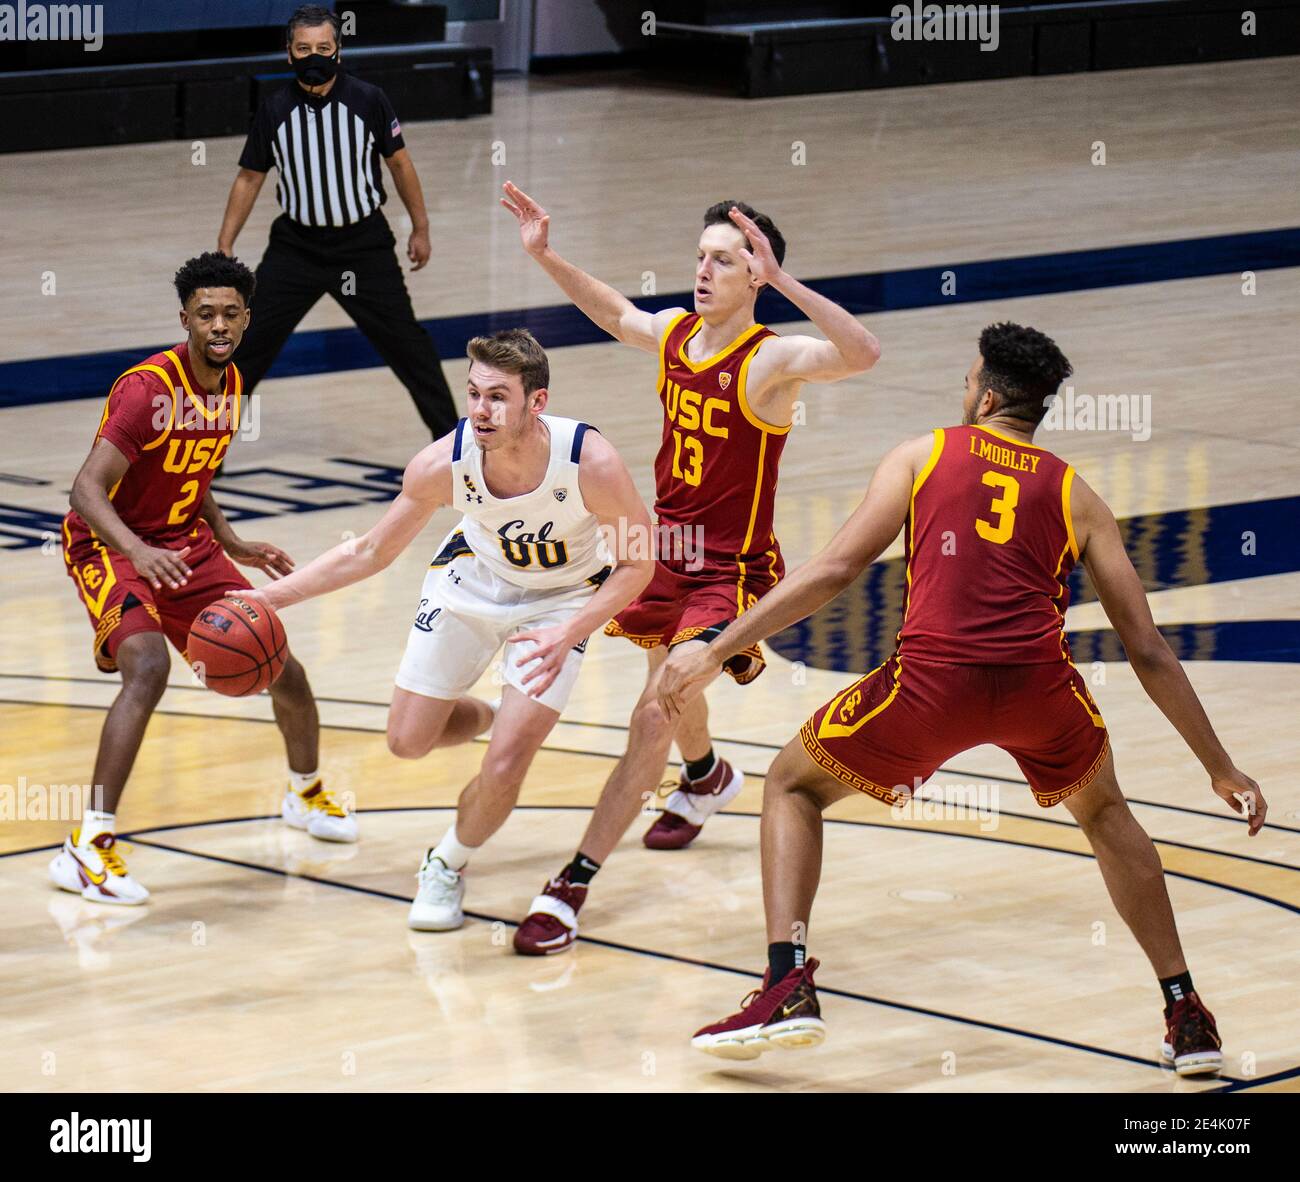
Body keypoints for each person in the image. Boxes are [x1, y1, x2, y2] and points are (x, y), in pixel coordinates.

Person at [659, 322, 1266, 1077]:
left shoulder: (926, 452)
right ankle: (1187, 1013)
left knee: (791, 786)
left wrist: (719, 646)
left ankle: (786, 982)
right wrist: (1221, 767)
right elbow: (1146, 648)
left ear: (983, 394)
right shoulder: (1079, 495)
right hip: (1040, 689)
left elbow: (838, 567)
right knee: (1108, 815)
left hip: (933, 686)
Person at [500, 182, 881, 955]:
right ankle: (705, 777)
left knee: (654, 706)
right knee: (669, 692)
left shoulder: (771, 359)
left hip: (730, 569)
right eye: (699, 255)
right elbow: (615, 313)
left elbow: (862, 353)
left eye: (723, 260)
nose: (702, 270)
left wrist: (786, 282)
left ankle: (571, 886)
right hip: (660, 551)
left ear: (754, 275)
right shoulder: (677, 333)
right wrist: (547, 256)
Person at [245, 329, 654, 931]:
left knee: (507, 762)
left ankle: (446, 863)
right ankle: (491, 713)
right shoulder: (444, 463)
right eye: (474, 394)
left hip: (560, 605)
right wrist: (266, 599)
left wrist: (573, 631)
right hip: (471, 582)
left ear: (535, 402)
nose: (481, 411)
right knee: (408, 741)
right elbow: (368, 552)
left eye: (498, 397)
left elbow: (638, 563)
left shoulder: (590, 462)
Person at [54, 252, 354, 907]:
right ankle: (88, 845)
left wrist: (234, 541)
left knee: (284, 667)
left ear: (247, 318)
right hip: (112, 544)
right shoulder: (147, 388)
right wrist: (136, 548)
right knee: (148, 667)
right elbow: (85, 489)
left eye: (230, 312)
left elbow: (195, 475)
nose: (218, 323)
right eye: (205, 313)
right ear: (185, 318)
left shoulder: (233, 382)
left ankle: (305, 794)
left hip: (184, 546)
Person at [216, 4, 457, 437]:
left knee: (409, 348)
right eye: (303, 48)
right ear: (289, 54)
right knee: (245, 350)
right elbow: (250, 177)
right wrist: (225, 244)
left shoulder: (368, 100)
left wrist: (421, 228)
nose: (314, 57)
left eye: (323, 48)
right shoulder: (273, 110)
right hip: (296, 248)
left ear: (338, 51)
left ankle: (455, 448)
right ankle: (204, 456)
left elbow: (400, 164)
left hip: (363, 248)